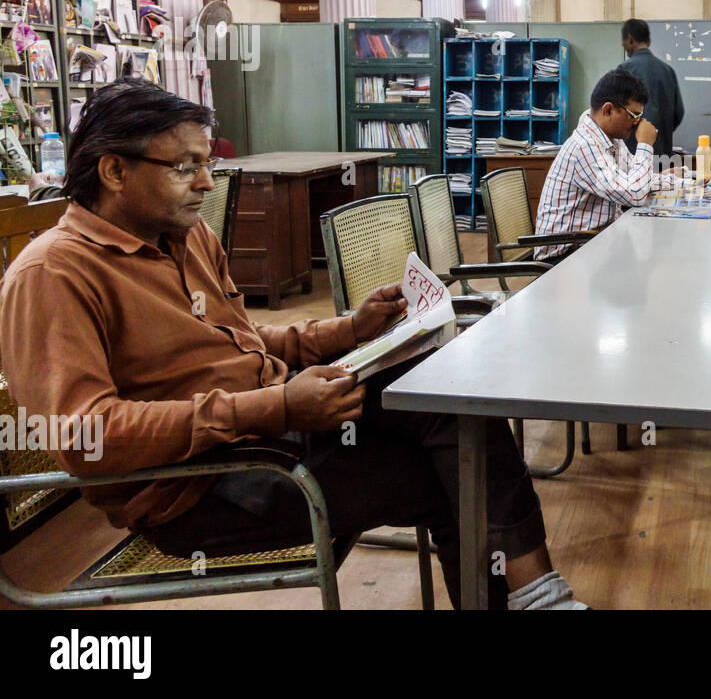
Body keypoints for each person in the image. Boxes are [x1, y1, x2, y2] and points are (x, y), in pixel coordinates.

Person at [0, 79, 585, 610]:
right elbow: (86, 437)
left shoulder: (187, 236)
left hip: (269, 434)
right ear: (113, 171)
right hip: (195, 491)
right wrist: (274, 407)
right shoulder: (52, 275)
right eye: (185, 166)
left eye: (205, 163)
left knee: (441, 386)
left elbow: (246, 343)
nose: (207, 182)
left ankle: (536, 593)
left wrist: (352, 330)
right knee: (451, 472)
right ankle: (537, 595)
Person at [533, 69, 680, 262]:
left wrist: (684, 180)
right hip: (564, 257)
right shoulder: (585, 146)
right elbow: (634, 194)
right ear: (608, 110)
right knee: (653, 260)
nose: (638, 122)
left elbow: (633, 181)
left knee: (660, 249)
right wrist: (645, 145)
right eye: (633, 115)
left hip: (594, 243)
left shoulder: (611, 140)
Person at [618, 18, 685, 164]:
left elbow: (616, 114)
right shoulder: (668, 71)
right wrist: (660, 132)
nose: (622, 45)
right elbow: (679, 112)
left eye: (623, 41)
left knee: (636, 186)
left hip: (632, 154)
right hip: (663, 154)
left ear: (629, 38)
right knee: (662, 185)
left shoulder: (624, 70)